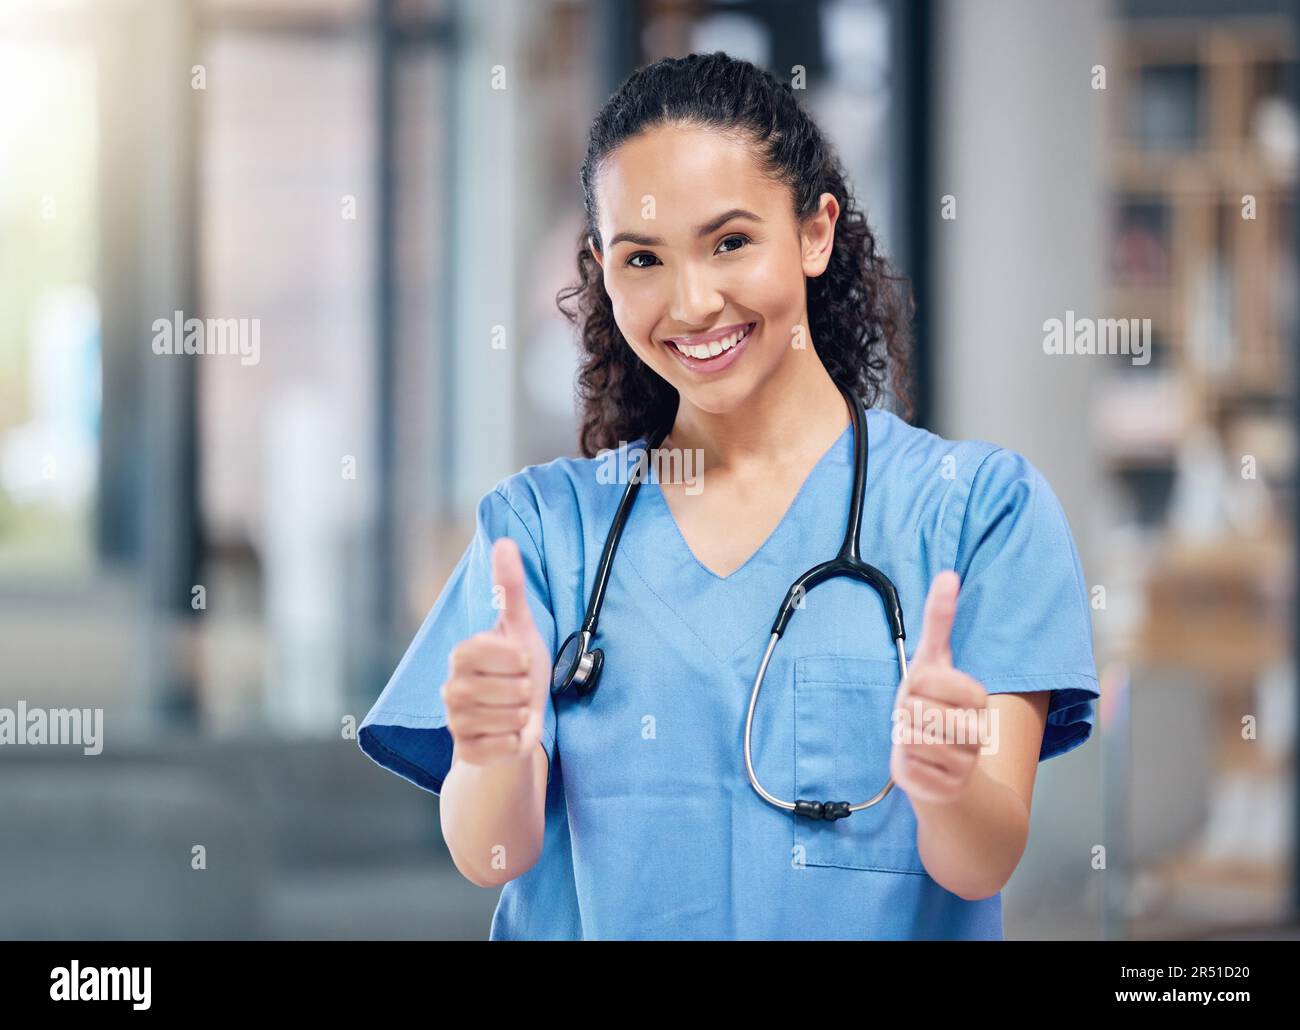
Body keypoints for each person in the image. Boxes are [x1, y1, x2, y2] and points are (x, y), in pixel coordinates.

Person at [358, 51, 1100, 940]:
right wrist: (492, 751)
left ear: (815, 232)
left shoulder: (978, 513)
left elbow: (979, 861)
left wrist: (946, 784)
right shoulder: (542, 534)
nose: (692, 301)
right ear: (601, 269)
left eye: (731, 242)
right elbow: (491, 856)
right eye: (643, 258)